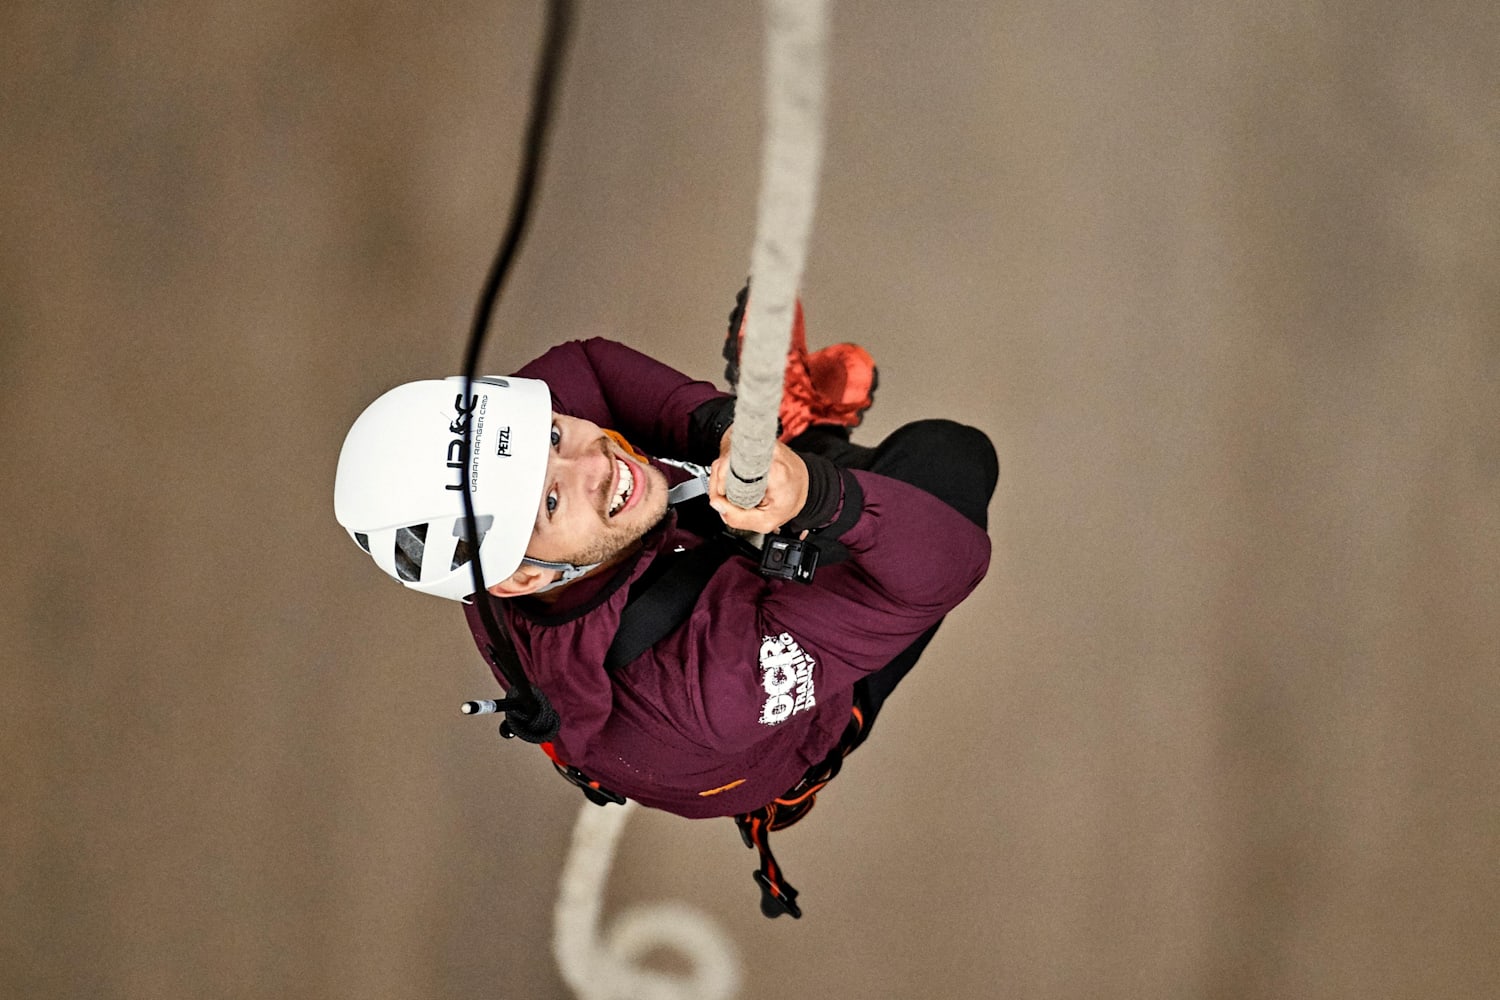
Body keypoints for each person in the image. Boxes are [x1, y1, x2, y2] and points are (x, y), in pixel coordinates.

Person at [334, 295, 997, 910]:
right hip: (765, 706)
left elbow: (583, 367)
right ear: (523, 581)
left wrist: (725, 433)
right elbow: (945, 570)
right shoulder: (707, 689)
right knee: (947, 460)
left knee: (697, 480)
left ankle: (781, 452)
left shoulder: (495, 539)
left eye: (553, 438)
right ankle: (807, 450)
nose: (596, 466)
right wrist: (815, 496)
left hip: (677, 569)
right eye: (551, 502)